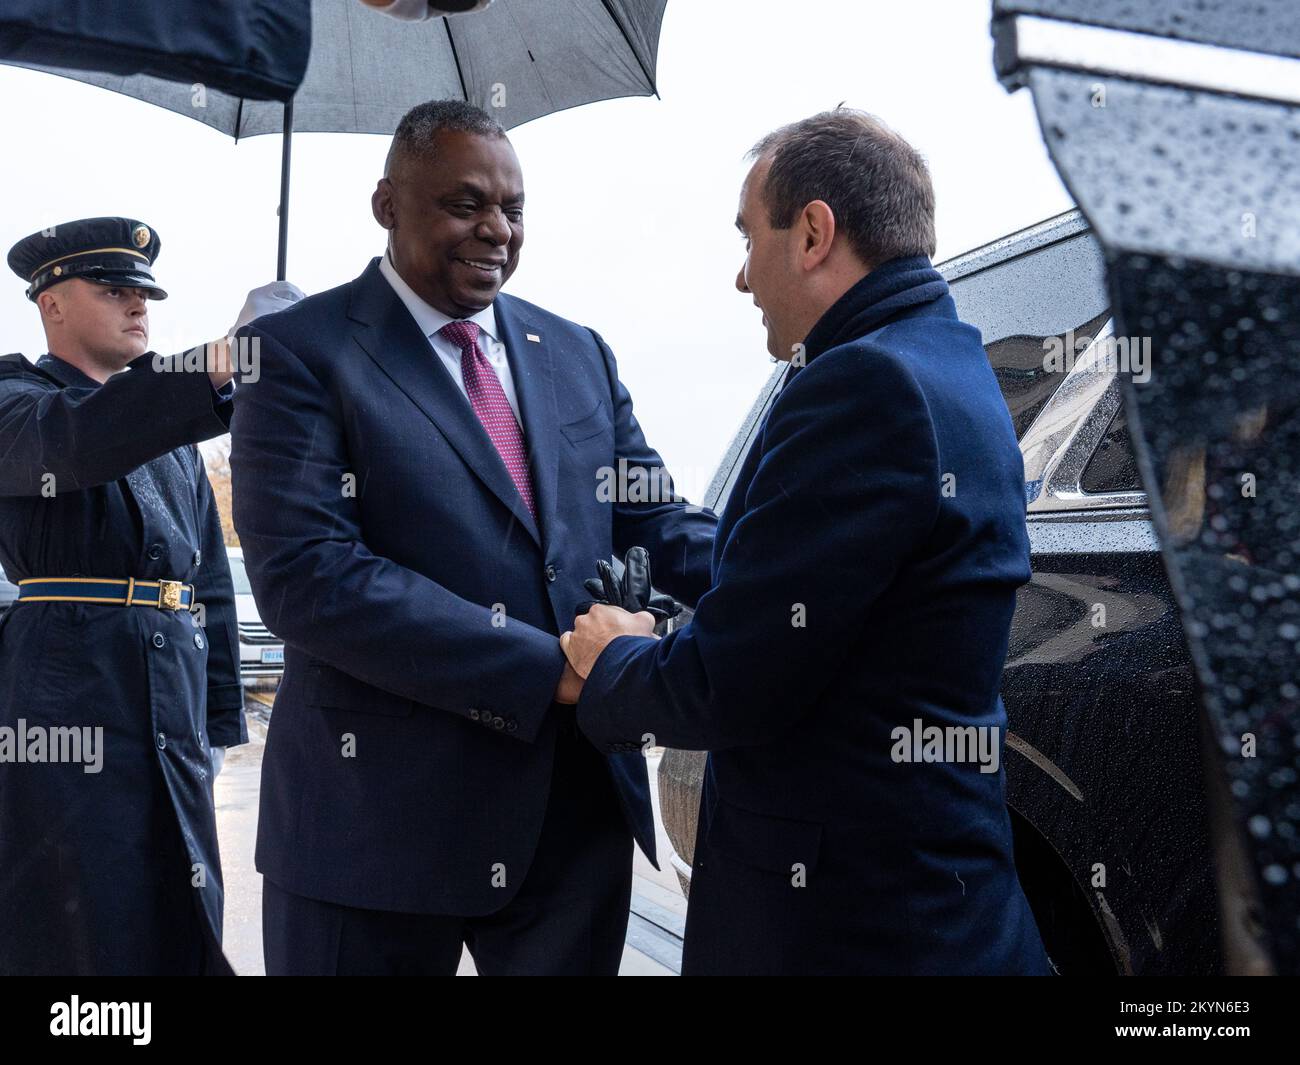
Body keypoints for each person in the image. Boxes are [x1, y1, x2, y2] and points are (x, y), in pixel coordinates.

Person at [230, 100, 717, 975]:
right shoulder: (296, 353)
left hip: (566, 828)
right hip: (368, 831)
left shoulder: (577, 353)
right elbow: (310, 578)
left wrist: (788, 573)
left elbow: (651, 515)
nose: (496, 228)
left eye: (513, 209)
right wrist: (553, 670)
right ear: (388, 205)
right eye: (465, 204)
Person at [562, 109, 1053, 975]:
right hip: (935, 904)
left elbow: (733, 681)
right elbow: (812, 582)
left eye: (750, 237)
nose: (742, 276)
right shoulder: (949, 359)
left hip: (847, 929)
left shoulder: (862, 383)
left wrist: (618, 658)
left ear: (815, 232)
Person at [0, 216, 296, 975]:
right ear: (51, 304)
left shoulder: (176, 437)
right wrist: (219, 361)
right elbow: (77, 440)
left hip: (171, 705)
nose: (138, 304)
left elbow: (205, 594)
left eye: (144, 292)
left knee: (181, 909)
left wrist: (220, 724)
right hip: (67, 708)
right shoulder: (16, 399)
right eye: (113, 288)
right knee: (82, 921)